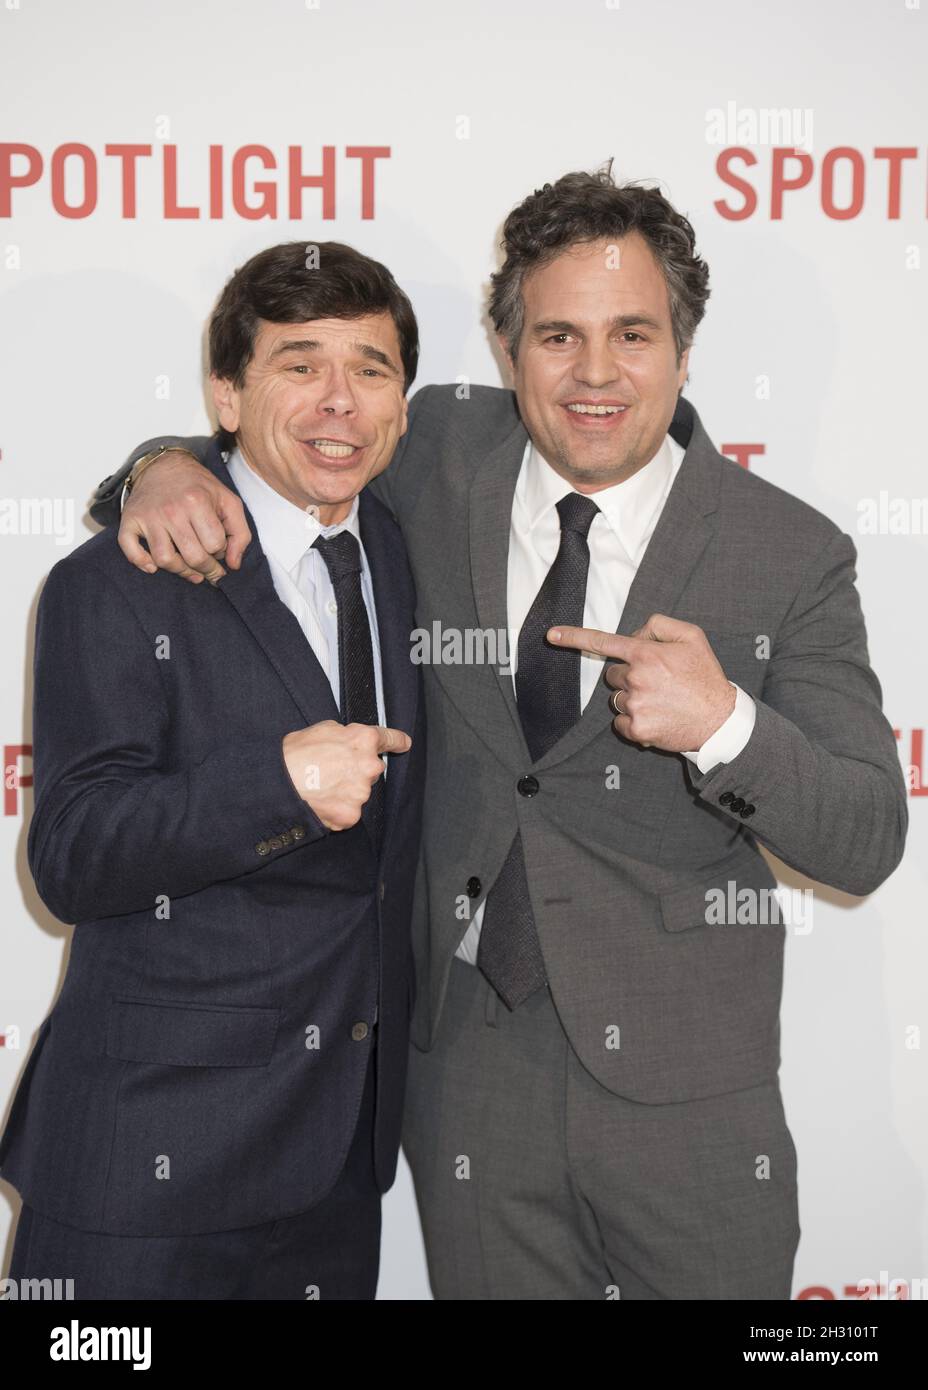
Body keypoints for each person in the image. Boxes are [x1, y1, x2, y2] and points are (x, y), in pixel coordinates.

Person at [84, 168, 907, 1300]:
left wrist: (726, 725)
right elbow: (289, 436)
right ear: (508, 347)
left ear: (683, 352)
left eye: (633, 334)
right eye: (559, 336)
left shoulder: (789, 552)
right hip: (468, 1085)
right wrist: (158, 467)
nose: (595, 374)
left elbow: (866, 836)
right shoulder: (436, 450)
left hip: (689, 1103)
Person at [0, 240, 425, 1300]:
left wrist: (159, 457)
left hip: (337, 1164)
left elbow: (604, 418)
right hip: (149, 1160)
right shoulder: (121, 580)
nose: (339, 400)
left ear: (402, 404)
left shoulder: (404, 548)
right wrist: (277, 788)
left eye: (370, 369)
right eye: (299, 364)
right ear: (226, 395)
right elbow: (72, 856)